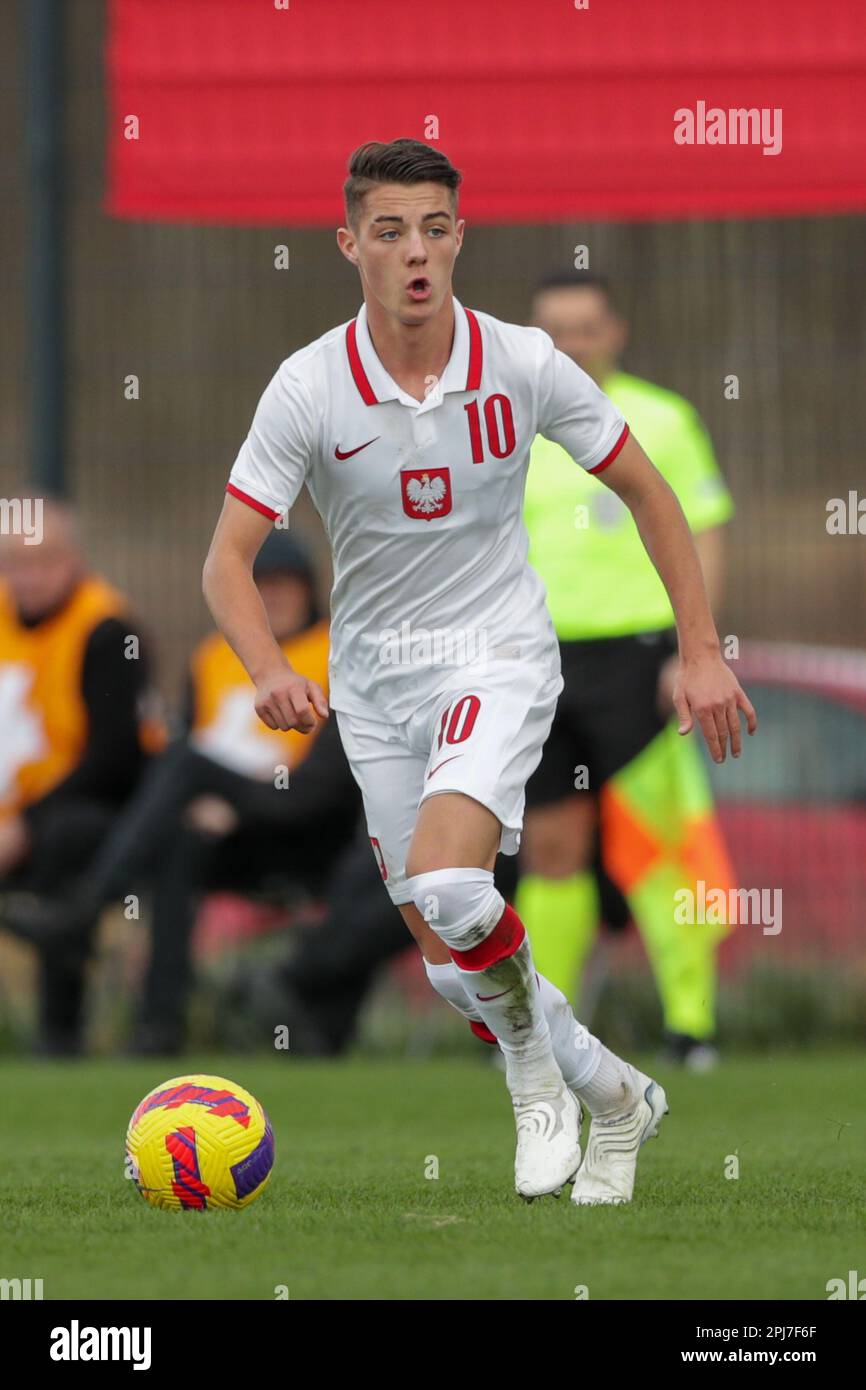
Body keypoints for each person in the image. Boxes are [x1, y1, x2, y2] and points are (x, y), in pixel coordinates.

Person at [202, 137, 756, 1205]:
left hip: (497, 654)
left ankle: (536, 1077)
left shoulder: (521, 361)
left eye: (434, 228)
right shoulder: (307, 385)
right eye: (390, 230)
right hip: (372, 687)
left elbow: (647, 489)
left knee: (459, 887)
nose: (415, 252)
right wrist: (267, 663)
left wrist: (697, 648)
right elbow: (226, 558)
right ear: (349, 243)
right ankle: (612, 1090)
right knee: (452, 958)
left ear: (459, 236)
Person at [1, 531, 360, 1055]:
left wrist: (232, 800)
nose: (276, 599)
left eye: (288, 586)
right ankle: (159, 1025)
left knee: (183, 765)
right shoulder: (215, 655)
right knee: (179, 837)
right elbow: (194, 742)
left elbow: (326, 781)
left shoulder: (338, 652)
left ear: (310, 591)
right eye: (263, 588)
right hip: (218, 825)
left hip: (300, 824)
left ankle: (83, 912)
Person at [518, 271, 738, 1068]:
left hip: (638, 655)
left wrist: (693, 648)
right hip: (536, 660)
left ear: (615, 332)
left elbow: (704, 530)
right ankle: (541, 1028)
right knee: (550, 847)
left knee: (658, 844)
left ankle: (692, 1024)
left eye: (586, 327)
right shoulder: (508, 422)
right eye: (555, 330)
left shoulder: (662, 420)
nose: (571, 344)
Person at [0, 498, 161, 1054]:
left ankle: (59, 1032)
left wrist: (25, 824)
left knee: (67, 836)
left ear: (74, 560)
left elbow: (114, 759)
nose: (28, 576)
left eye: (43, 560)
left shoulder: (107, 628)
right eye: (14, 562)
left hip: (82, 816)